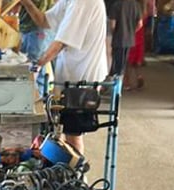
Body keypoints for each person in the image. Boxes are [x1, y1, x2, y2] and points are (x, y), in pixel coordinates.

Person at [18, 0, 108, 151]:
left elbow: (61, 42)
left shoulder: (82, 2)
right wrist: (26, 3)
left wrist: (38, 64)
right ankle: (68, 168)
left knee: (73, 133)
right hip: (71, 75)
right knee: (64, 131)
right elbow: (44, 21)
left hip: (83, 78)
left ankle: (76, 172)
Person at [107, 0, 143, 79]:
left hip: (118, 38)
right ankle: (119, 84)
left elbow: (113, 24)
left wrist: (114, 32)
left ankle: (114, 86)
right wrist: (132, 31)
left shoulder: (116, 5)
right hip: (130, 39)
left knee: (116, 64)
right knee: (123, 64)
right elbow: (140, 24)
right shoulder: (136, 5)